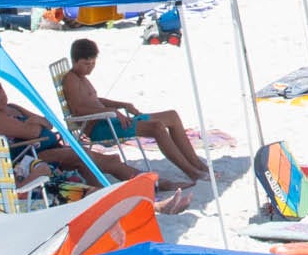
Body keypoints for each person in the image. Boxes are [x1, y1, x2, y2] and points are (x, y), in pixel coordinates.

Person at [57, 36, 203, 182]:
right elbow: (78, 110)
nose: (90, 68)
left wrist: (123, 105)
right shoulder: (71, 79)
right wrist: (113, 111)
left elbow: (95, 101)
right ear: (74, 61)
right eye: (85, 64)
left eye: (93, 63)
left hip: (110, 120)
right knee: (156, 127)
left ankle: (198, 164)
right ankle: (191, 172)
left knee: (172, 116)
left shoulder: (82, 77)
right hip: (99, 128)